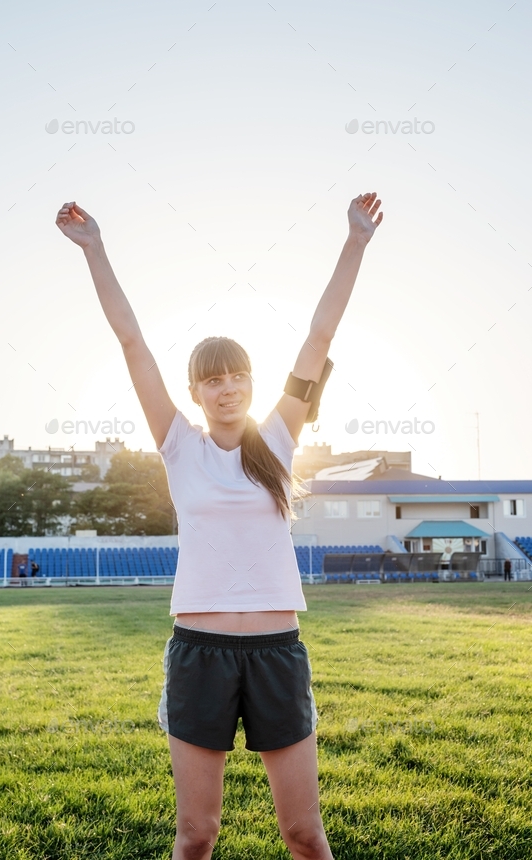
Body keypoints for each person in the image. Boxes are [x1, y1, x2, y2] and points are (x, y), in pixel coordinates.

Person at [56, 191, 383, 860]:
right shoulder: (178, 445)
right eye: (213, 380)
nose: (227, 388)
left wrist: (355, 240)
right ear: (196, 390)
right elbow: (132, 340)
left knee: (303, 833)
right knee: (196, 834)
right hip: (199, 653)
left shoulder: (280, 440)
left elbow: (319, 337)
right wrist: (96, 250)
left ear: (252, 385)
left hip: (277, 654)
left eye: (238, 377)